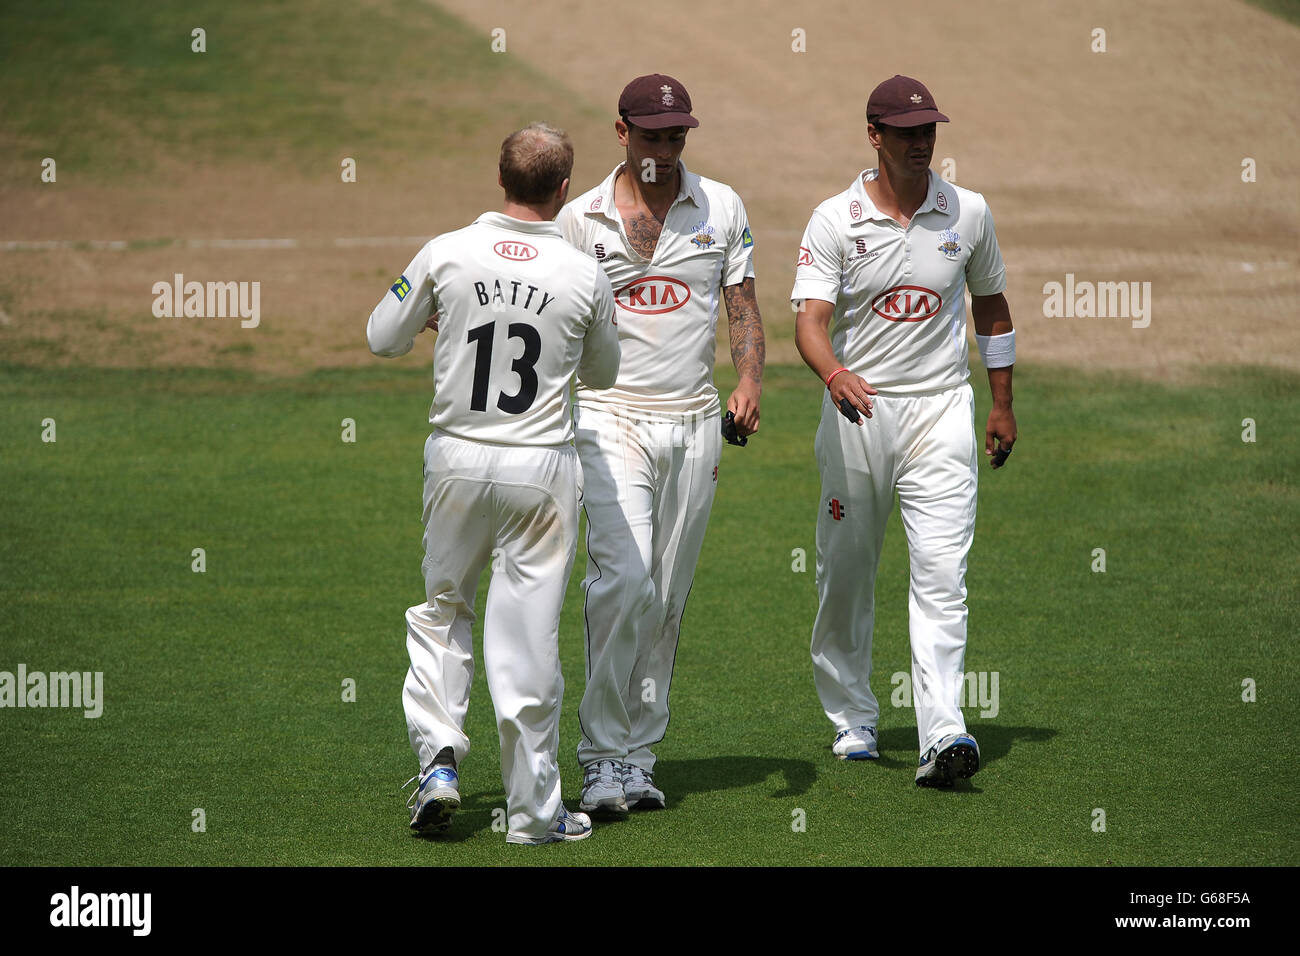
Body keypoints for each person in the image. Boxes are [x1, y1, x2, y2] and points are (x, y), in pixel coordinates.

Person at [367, 122, 621, 842]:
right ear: (565, 189)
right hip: (541, 471)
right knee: (529, 637)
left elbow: (381, 335)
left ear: (500, 177)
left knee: (443, 612)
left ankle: (440, 762)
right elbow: (605, 374)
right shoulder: (582, 272)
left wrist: (437, 322)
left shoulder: (447, 252)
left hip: (456, 459)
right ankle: (535, 815)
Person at [791, 75, 1018, 787]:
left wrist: (1001, 403)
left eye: (929, 132)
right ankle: (853, 717)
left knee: (942, 573)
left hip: (941, 411)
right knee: (848, 572)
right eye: (906, 132)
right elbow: (810, 323)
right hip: (858, 413)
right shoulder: (834, 219)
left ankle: (942, 729)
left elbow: (993, 307)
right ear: (874, 136)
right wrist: (834, 375)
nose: (921, 143)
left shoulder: (968, 212)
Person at [556, 74, 766, 815]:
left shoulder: (722, 205)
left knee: (667, 597)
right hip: (609, 417)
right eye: (651, 136)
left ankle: (636, 758)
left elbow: (741, 305)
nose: (665, 150)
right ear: (622, 133)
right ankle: (597, 756)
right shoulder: (579, 219)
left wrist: (748, 381)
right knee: (626, 579)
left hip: (695, 421)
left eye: (676, 136)